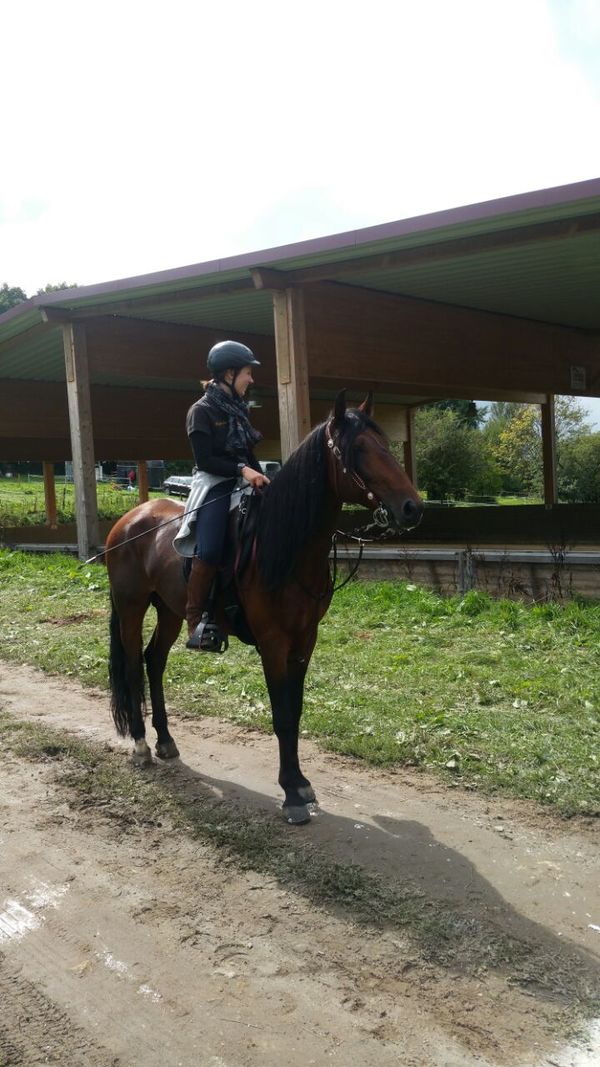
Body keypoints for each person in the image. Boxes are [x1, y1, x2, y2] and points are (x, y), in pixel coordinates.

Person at [178, 340, 270, 650]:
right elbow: (206, 461)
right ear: (229, 373)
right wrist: (244, 471)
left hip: (242, 481)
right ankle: (195, 622)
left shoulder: (238, 410)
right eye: (247, 373)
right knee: (212, 547)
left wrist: (265, 480)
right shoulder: (200, 411)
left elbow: (247, 453)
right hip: (214, 484)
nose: (251, 379)